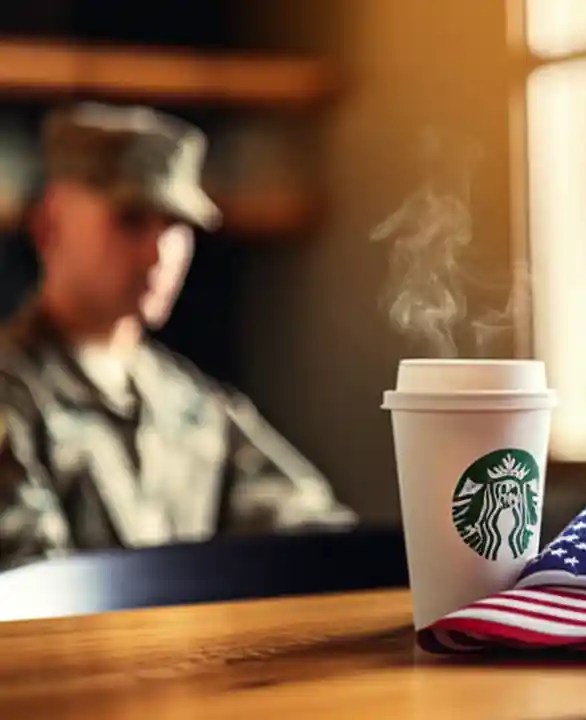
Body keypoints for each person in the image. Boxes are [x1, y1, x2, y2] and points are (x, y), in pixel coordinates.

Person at [0, 103, 353, 570]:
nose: (160, 253)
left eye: (177, 226)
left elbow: (314, 538)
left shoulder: (192, 402)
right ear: (50, 225)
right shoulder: (14, 396)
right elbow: (28, 592)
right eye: (131, 219)